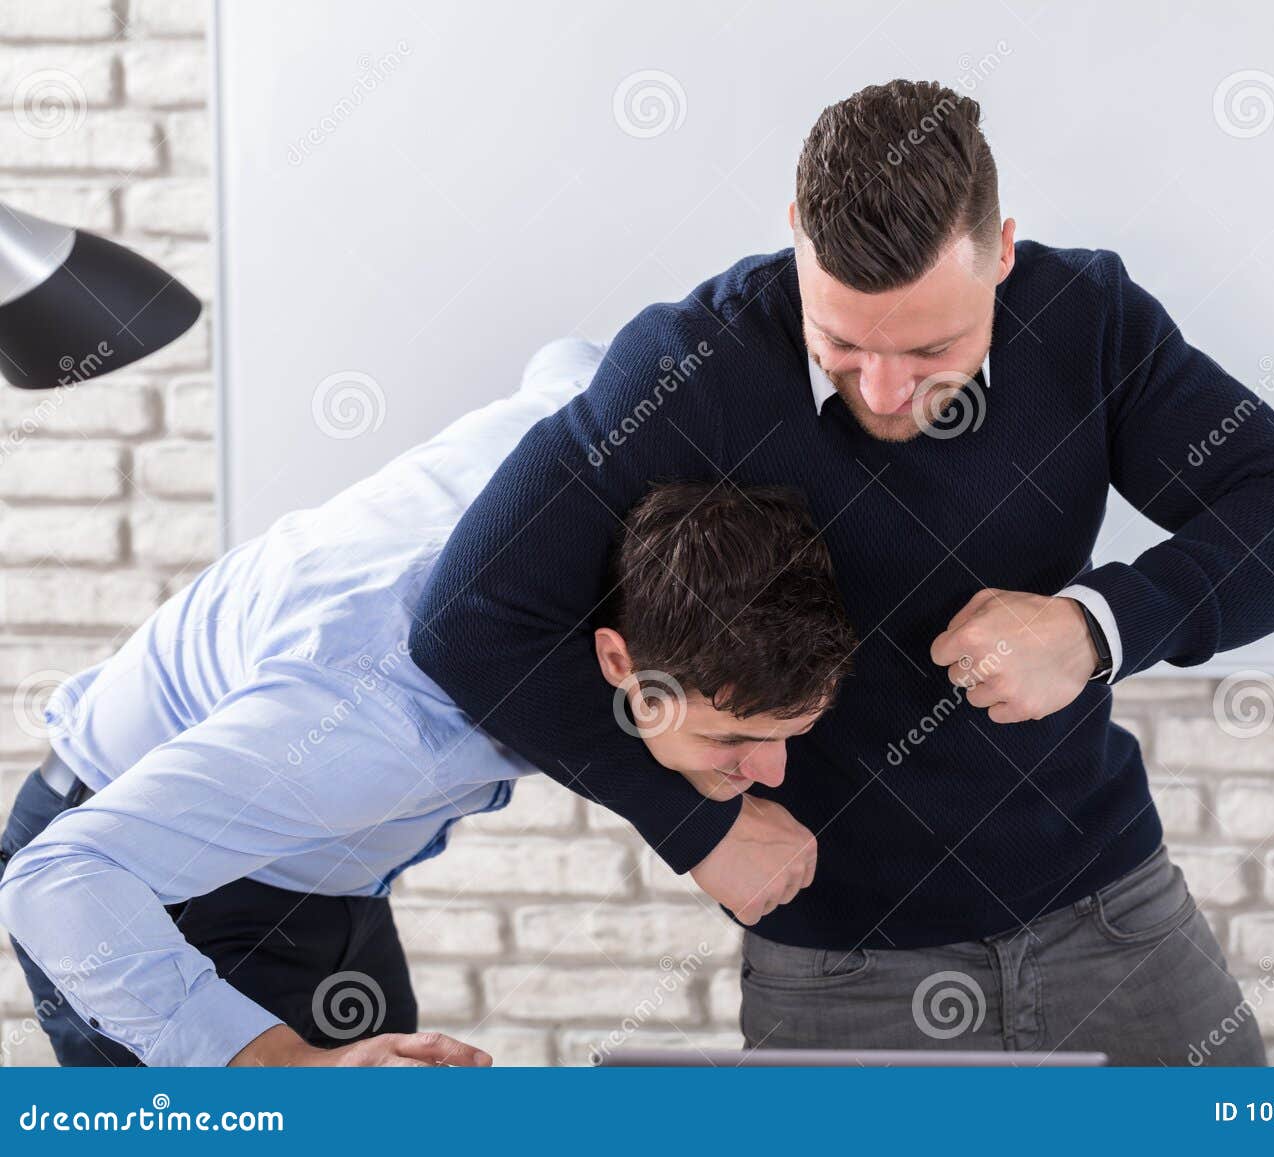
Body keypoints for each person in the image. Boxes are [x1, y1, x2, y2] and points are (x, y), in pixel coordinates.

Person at [410, 81, 1274, 1064]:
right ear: (796, 242)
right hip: (842, 969)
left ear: (1001, 254)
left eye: (931, 348)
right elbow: (474, 616)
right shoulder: (694, 367)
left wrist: (1093, 626)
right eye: (843, 345)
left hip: (1111, 916)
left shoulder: (1085, 320)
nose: (885, 389)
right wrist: (689, 823)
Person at [0, 339, 855, 1067]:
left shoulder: (605, 451)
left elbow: (565, 359)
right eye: (733, 737)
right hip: (134, 883)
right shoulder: (385, 718)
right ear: (619, 662)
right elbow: (56, 884)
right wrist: (292, 1070)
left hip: (323, 882)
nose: (766, 770)